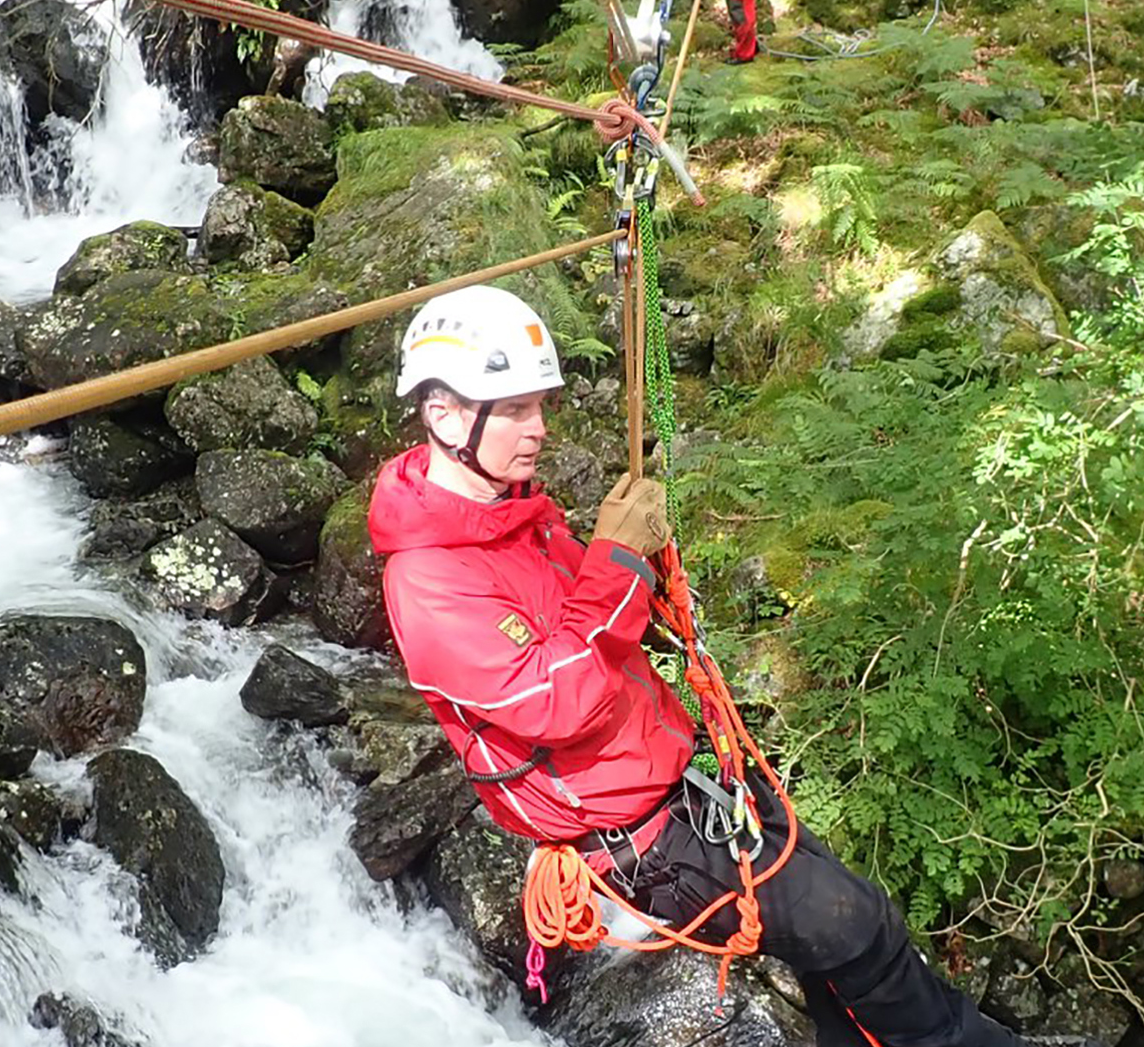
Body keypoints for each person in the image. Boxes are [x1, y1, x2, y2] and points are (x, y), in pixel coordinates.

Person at [370, 285, 1075, 1047]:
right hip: (639, 841)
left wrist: (638, 569)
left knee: (842, 926)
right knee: (853, 927)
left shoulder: (511, 516)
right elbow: (557, 699)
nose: (539, 428)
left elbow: (594, 621)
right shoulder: (430, 579)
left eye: (541, 405)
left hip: (671, 792)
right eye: (514, 410)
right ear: (446, 417)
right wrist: (616, 556)